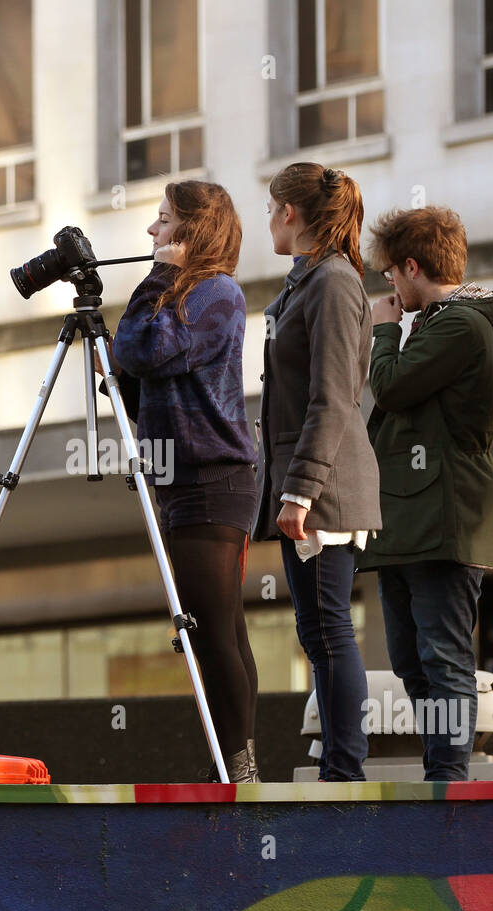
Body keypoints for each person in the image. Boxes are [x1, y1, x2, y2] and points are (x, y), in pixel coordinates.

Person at [104, 180, 262, 783]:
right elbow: (139, 368)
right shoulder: (184, 295)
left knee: (212, 625)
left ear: (191, 233)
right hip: (181, 479)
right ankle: (233, 761)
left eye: (163, 220)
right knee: (212, 624)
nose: (151, 232)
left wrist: (152, 281)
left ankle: (237, 768)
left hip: (212, 478)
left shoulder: (217, 294)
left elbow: (148, 350)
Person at [359, 205, 493, 781]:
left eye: (391, 274)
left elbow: (392, 386)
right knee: (409, 660)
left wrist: (383, 329)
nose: (390, 287)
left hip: (444, 519)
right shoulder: (440, 322)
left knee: (443, 658)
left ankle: (448, 780)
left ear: (412, 266)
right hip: (408, 518)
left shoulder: (459, 323)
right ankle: (439, 766)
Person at [252, 163, 381, 782]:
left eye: (271, 207)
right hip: (308, 483)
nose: (267, 219)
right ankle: (337, 762)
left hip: (322, 488)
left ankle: (345, 769)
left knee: (330, 629)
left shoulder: (331, 281)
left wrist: (299, 490)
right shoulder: (310, 281)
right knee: (316, 629)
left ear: (292, 214)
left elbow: (332, 397)